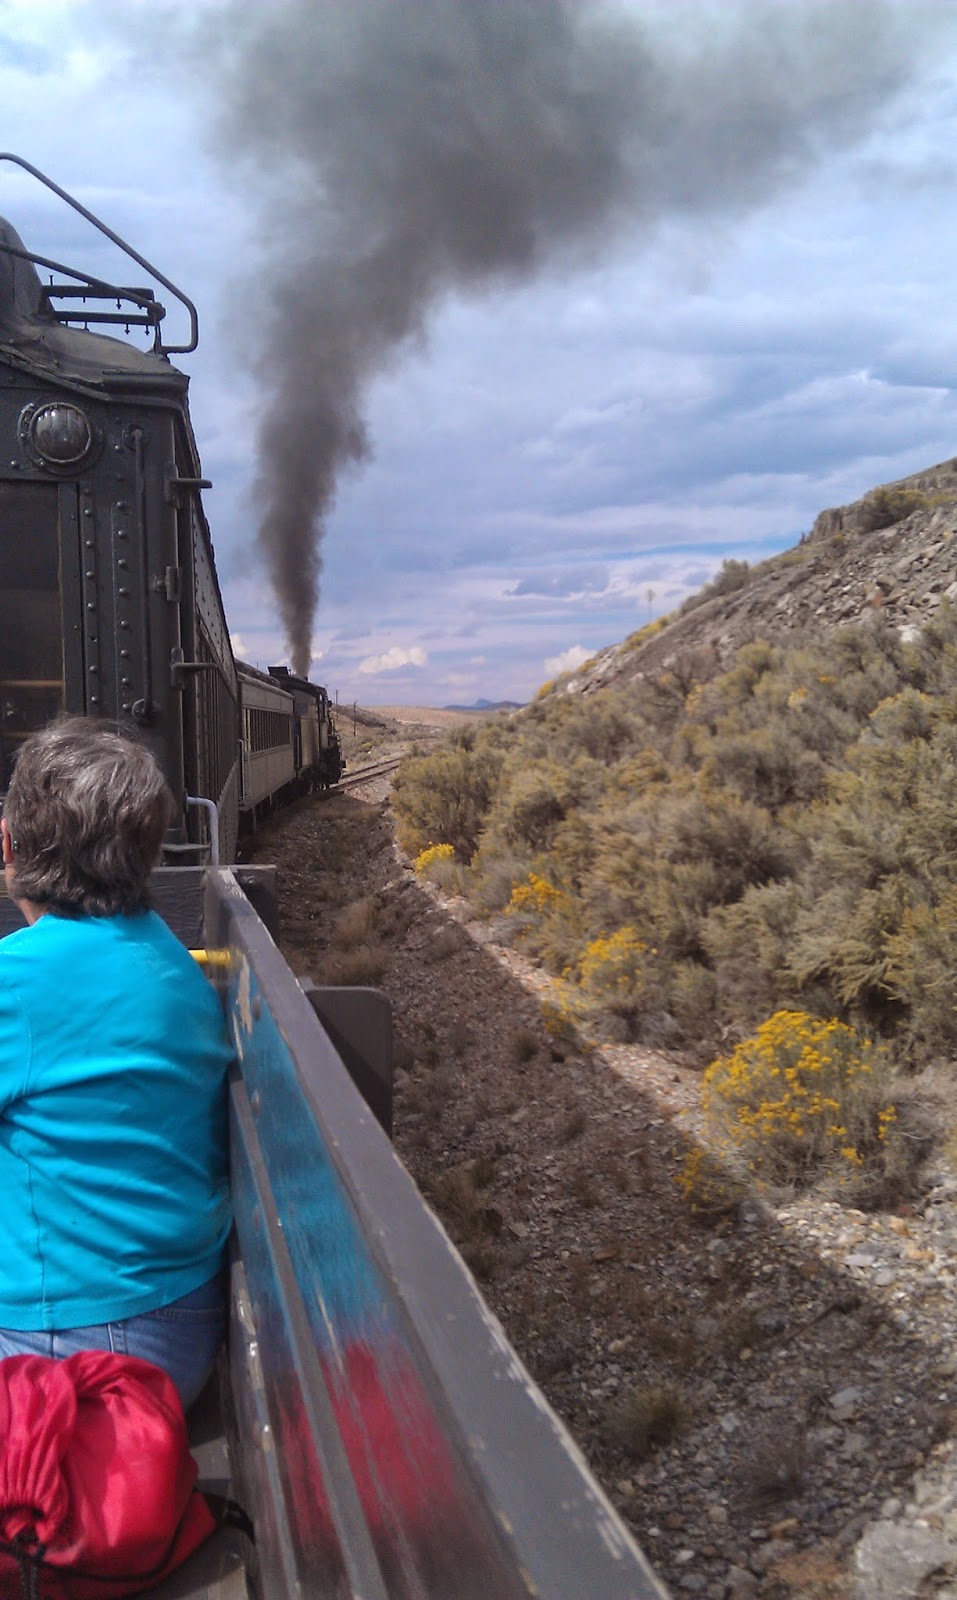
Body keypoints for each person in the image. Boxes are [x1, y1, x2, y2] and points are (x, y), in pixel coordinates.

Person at [0, 716, 232, 1407]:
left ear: (10, 843)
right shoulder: (165, 957)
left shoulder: (19, 981)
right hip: (179, 1322)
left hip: (74, 1349)